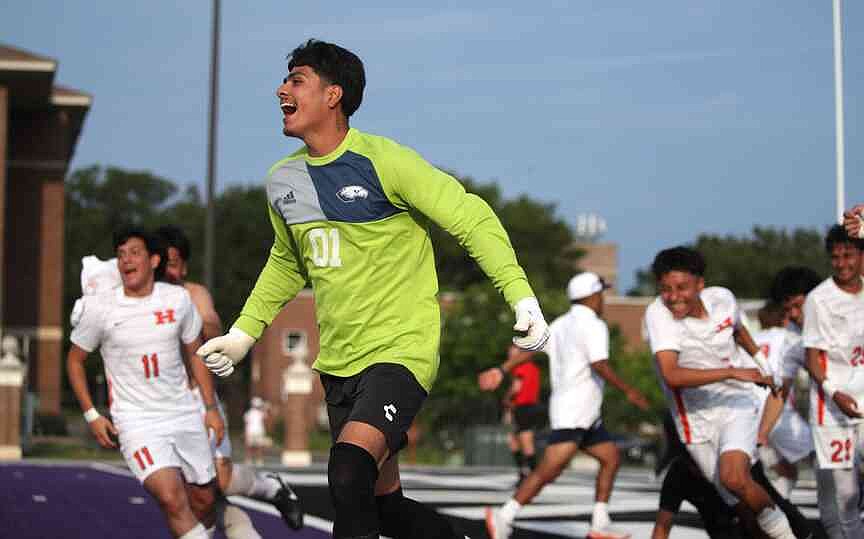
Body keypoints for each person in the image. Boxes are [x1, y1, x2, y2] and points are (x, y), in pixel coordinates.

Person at [197, 39, 549, 539]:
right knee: (383, 505)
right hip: (339, 362)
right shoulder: (282, 180)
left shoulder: (385, 162)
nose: (281, 89)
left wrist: (521, 297)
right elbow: (286, 262)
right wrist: (243, 335)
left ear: (333, 94)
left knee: (346, 471)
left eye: (296, 80)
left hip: (400, 352)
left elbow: (472, 217)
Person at [66, 226, 222, 539]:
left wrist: (210, 407)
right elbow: (74, 361)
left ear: (153, 260)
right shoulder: (101, 308)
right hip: (136, 421)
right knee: (171, 497)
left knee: (204, 499)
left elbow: (195, 355)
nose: (126, 260)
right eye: (121, 254)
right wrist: (92, 414)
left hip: (182, 412)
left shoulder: (178, 300)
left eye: (134, 252)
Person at [156, 224, 303, 533]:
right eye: (161, 263)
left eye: (172, 263)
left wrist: (186, 321)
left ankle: (269, 487)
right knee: (191, 495)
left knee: (217, 482)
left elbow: (211, 324)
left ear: (183, 265)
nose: (167, 272)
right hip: (158, 406)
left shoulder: (192, 295)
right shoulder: (142, 298)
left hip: (196, 399)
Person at [480, 271, 649, 539]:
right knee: (548, 470)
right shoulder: (594, 324)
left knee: (611, 458)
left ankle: (599, 523)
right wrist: (629, 390)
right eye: (601, 293)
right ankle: (503, 517)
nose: (603, 299)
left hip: (582, 414)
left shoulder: (560, 324)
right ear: (592, 296)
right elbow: (599, 364)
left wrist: (502, 369)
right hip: (575, 413)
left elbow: (531, 350)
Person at [643, 246, 796, 539]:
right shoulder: (658, 314)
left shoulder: (723, 298)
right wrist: (731, 371)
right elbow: (672, 375)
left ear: (701, 284)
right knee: (738, 503)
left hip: (736, 402)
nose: (673, 297)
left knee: (733, 477)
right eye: (665, 289)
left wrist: (761, 364)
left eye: (681, 287)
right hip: (694, 420)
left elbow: (739, 330)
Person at [801, 225, 864, 538]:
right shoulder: (818, 299)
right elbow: (811, 358)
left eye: (848, 255)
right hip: (833, 410)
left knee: (848, 498)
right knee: (845, 498)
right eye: (835, 257)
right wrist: (833, 392)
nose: (841, 263)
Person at [752, 302, 813, 499]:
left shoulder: (751, 340)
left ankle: (775, 509)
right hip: (778, 411)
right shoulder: (788, 338)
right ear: (784, 319)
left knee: (785, 471)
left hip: (751, 415)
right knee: (821, 455)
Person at [502, 345, 543, 486]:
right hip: (527, 407)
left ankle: (534, 475)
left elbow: (516, 387)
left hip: (523, 408)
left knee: (525, 441)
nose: (510, 357)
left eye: (512, 354)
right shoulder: (534, 368)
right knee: (513, 440)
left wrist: (506, 399)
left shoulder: (520, 368)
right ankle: (523, 474)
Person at [243, 397, 268, 466]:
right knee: (253, 447)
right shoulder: (250, 413)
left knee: (256, 447)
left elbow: (265, 421)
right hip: (254, 431)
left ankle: (254, 460)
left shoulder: (259, 413)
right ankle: (253, 460)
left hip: (255, 431)